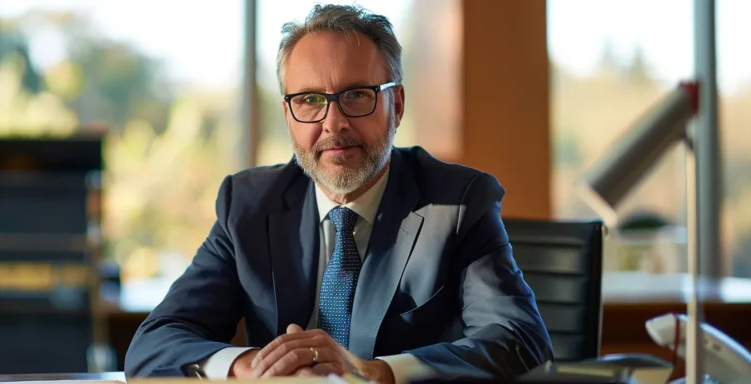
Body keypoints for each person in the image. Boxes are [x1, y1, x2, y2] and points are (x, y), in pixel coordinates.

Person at [124, 4, 552, 382]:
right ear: (288, 115)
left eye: (357, 95)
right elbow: (156, 342)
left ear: (396, 105)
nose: (333, 123)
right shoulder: (249, 204)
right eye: (310, 99)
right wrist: (253, 366)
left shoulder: (456, 202)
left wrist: (376, 373)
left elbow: (519, 341)